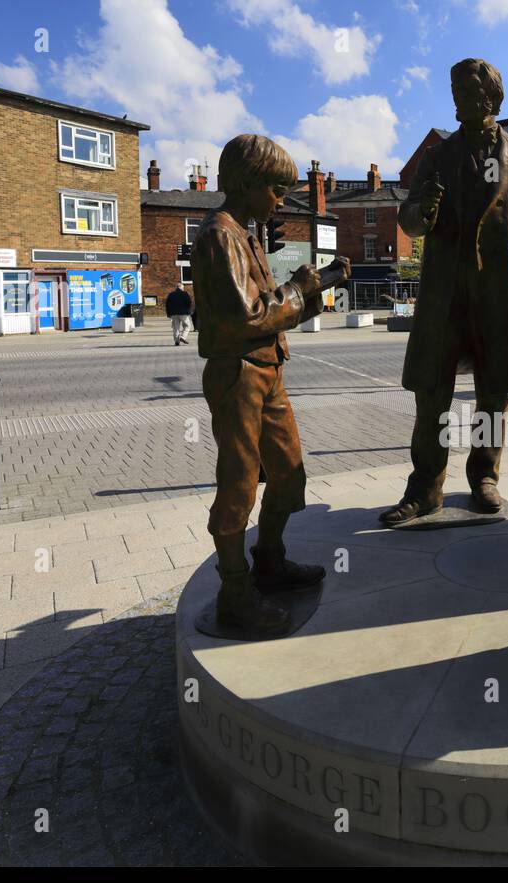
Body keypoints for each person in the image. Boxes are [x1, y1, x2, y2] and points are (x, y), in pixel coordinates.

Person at [380, 57, 508, 524]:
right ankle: (425, 489)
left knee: (493, 393)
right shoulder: (438, 157)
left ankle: (484, 477)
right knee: (431, 395)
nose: (460, 101)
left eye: (469, 94)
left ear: (492, 100)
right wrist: (425, 212)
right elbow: (410, 219)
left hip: (499, 299)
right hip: (446, 296)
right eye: (456, 93)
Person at [191, 132, 350, 636]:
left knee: (289, 473)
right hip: (238, 373)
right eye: (276, 190)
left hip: (268, 369)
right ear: (247, 183)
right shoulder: (221, 234)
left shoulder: (249, 234)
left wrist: (319, 285)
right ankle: (235, 594)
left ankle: (270, 561)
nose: (282, 200)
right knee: (238, 485)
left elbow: (273, 318)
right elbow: (249, 316)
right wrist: (300, 287)